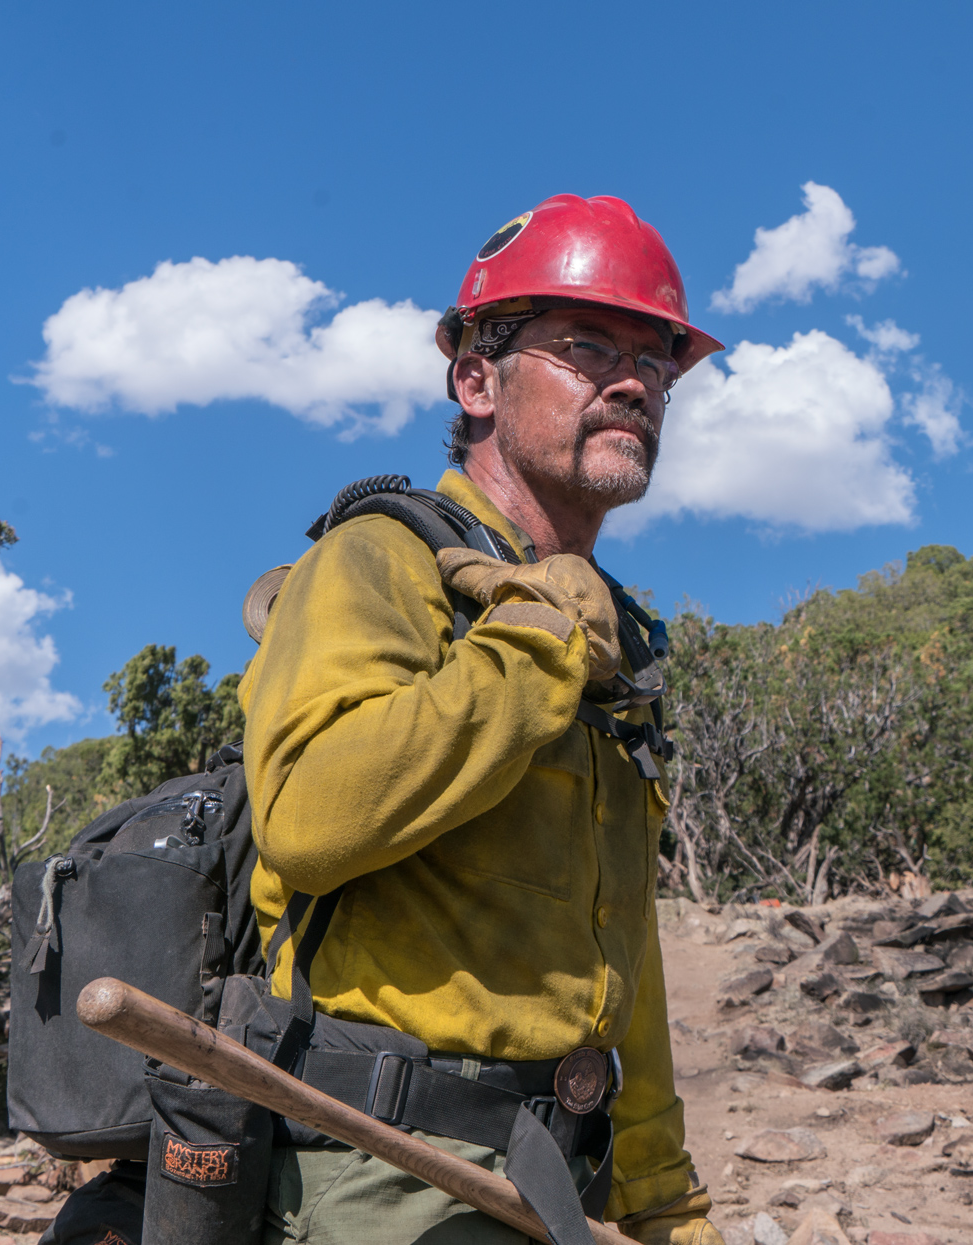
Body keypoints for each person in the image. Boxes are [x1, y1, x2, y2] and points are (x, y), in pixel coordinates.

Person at [242, 195, 726, 1245]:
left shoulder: (622, 640)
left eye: (655, 362)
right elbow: (308, 820)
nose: (633, 382)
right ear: (475, 379)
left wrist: (663, 1203)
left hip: (563, 1174)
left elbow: (622, 957)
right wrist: (539, 642)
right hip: (379, 1170)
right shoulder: (380, 559)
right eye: (587, 348)